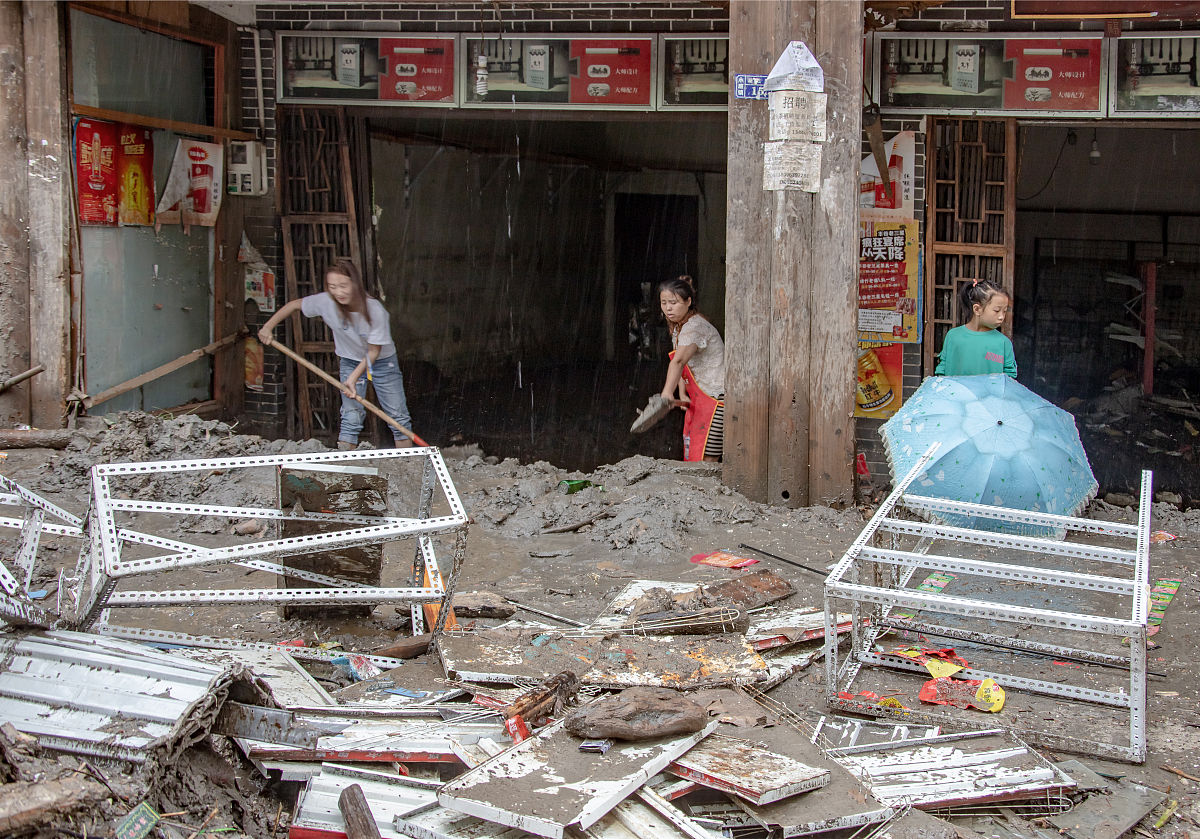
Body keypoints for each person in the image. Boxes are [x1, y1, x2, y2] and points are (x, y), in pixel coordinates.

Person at [258, 258, 415, 449]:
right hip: (349, 360)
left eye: (343, 286)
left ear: (355, 284)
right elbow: (294, 305)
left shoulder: (375, 311)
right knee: (351, 415)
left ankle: (408, 463)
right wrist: (267, 327)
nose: (338, 292)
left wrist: (353, 378)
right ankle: (345, 467)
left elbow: (373, 352)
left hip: (381, 362)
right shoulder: (325, 302)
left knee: (397, 416)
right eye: (332, 286)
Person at [658, 275, 725, 461]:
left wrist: (667, 394)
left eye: (674, 302)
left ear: (688, 302)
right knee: (693, 453)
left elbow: (678, 362)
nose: (668, 308)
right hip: (699, 398)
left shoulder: (695, 327)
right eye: (664, 303)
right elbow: (683, 365)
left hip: (716, 397)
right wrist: (682, 392)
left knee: (708, 458)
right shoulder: (679, 329)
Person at [935, 279, 1017, 378]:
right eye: (997, 310)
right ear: (977, 309)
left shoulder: (1003, 342)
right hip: (955, 393)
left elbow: (1009, 377)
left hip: (991, 394)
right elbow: (942, 370)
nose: (1001, 316)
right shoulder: (953, 336)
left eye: (1004, 311)